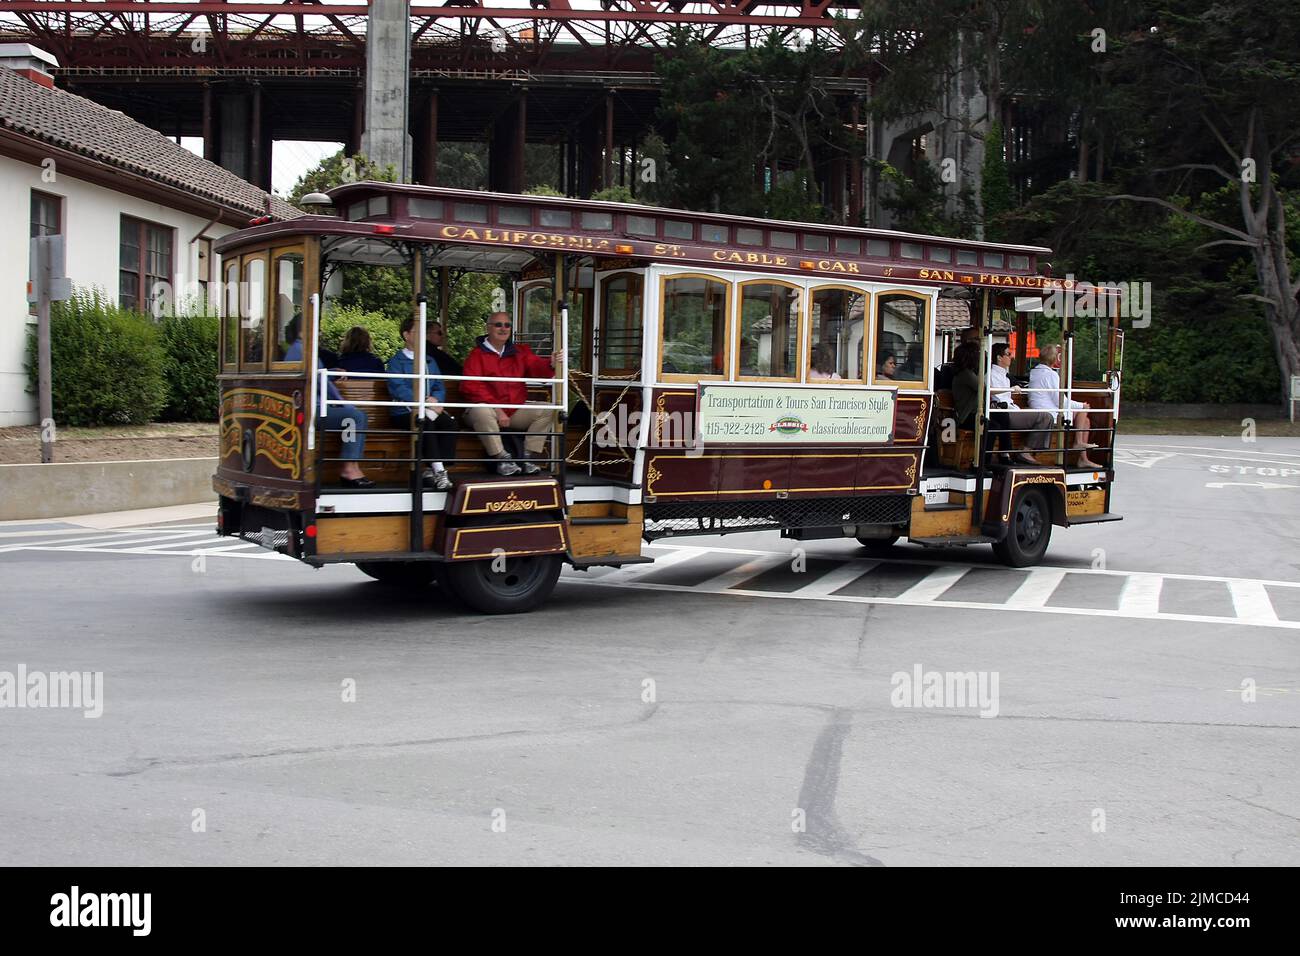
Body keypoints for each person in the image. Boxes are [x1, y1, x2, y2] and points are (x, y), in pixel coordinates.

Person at [461, 312, 562, 476]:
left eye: (507, 325)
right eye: (498, 325)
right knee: (481, 410)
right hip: (485, 411)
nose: (503, 329)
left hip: (512, 411)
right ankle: (502, 459)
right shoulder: (476, 355)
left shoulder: (519, 352)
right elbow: (471, 387)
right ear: (488, 328)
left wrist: (551, 363)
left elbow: (537, 368)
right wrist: (498, 409)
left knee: (548, 409)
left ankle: (526, 458)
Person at [386, 318, 457, 491]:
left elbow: (438, 385)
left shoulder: (429, 361)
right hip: (404, 411)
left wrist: (436, 400)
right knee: (426, 423)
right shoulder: (397, 362)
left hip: (428, 407)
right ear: (406, 335)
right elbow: (398, 388)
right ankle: (438, 471)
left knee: (450, 424)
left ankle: (434, 468)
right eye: (418, 332)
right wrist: (423, 401)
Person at [1028, 343, 1101, 469]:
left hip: (1041, 408)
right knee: (1083, 411)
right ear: (1054, 359)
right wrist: (1082, 405)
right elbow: (1061, 401)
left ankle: (1082, 458)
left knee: (1086, 421)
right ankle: (1079, 444)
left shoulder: (1035, 372)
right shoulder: (1051, 375)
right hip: (1049, 412)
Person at [988, 342, 1053, 465]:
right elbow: (989, 391)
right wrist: (1011, 389)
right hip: (1004, 413)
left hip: (1012, 410)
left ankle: (1027, 450)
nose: (1011, 357)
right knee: (1045, 416)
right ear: (999, 357)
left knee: (1047, 416)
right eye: (1008, 354)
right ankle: (1025, 451)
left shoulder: (1005, 376)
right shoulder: (990, 374)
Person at [935, 327, 981, 391]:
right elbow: (982, 388)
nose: (981, 342)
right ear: (968, 341)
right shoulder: (965, 372)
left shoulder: (984, 356)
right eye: (977, 339)